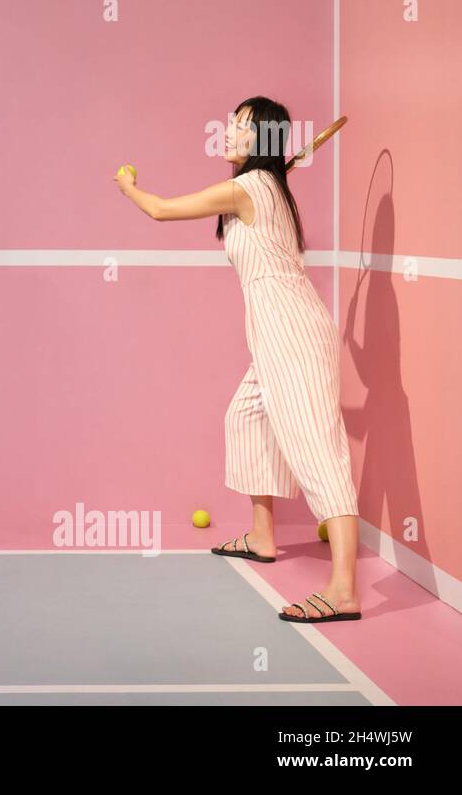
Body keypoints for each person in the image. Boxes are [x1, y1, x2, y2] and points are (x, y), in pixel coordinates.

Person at [115, 96, 362, 624]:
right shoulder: (266, 188)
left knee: (320, 452)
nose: (227, 132)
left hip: (292, 334)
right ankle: (262, 536)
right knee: (247, 417)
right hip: (273, 333)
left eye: (242, 127)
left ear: (266, 142)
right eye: (230, 123)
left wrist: (128, 185)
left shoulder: (249, 188)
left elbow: (161, 210)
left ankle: (343, 590)